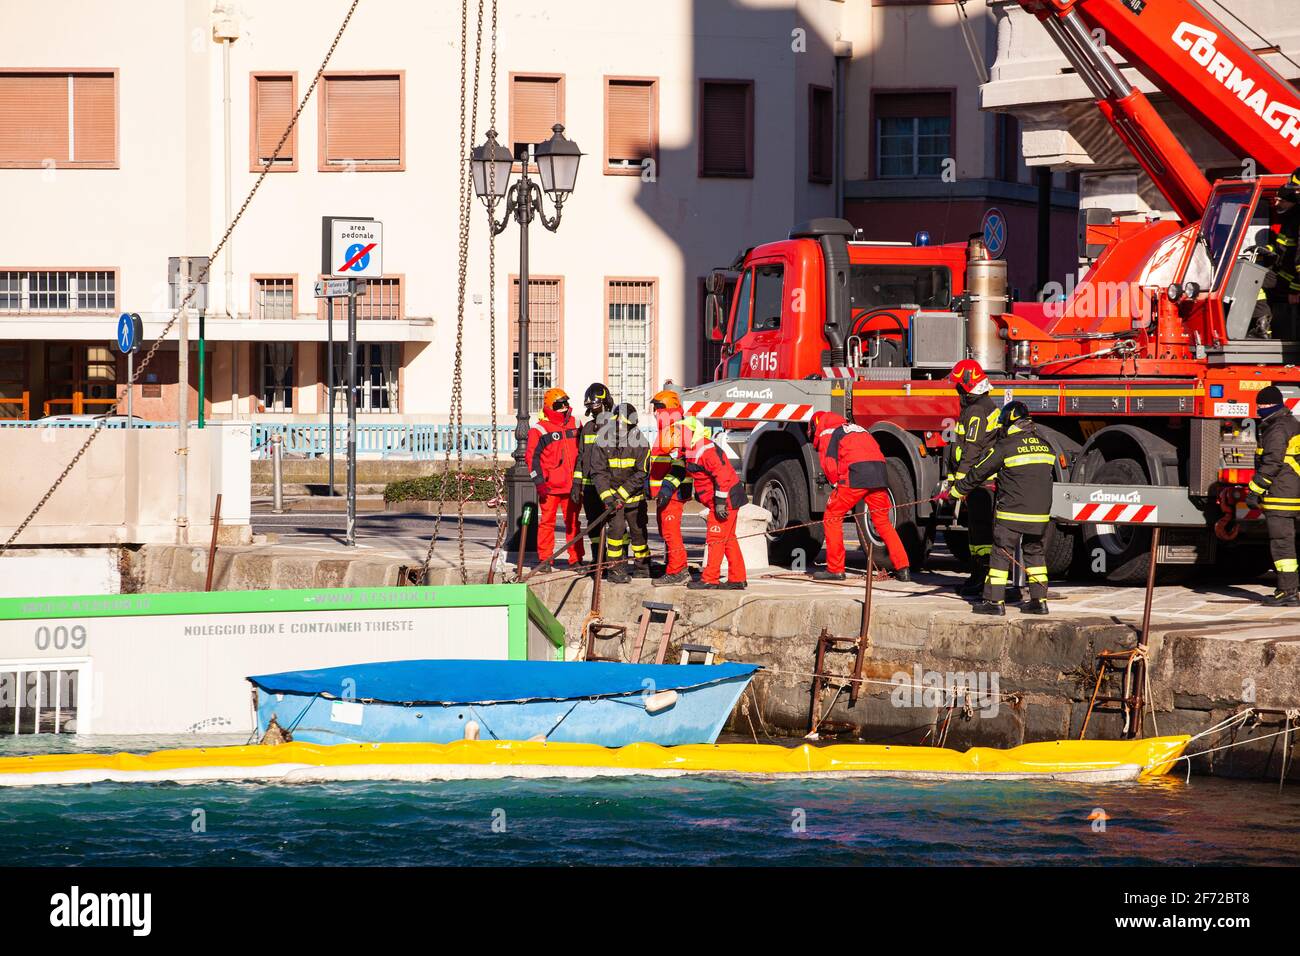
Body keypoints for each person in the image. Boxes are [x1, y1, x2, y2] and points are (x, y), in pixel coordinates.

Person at [940, 401, 1054, 616]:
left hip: (1011, 511)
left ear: (1010, 421)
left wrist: (955, 492)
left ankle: (994, 602)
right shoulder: (1045, 445)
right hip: (1040, 514)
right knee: (1035, 553)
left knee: (1001, 553)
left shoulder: (1006, 446)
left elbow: (980, 472)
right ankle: (1039, 601)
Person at [808, 410, 911, 582]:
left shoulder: (828, 432)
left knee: (832, 516)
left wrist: (835, 485)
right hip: (879, 474)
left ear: (815, 425)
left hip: (856, 474)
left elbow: (830, 463)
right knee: (882, 522)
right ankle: (903, 568)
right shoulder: (857, 428)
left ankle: (835, 569)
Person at [944, 358, 1001, 597]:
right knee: (977, 531)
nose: (956, 389)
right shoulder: (981, 405)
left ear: (968, 384)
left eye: (958, 384)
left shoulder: (976, 410)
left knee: (980, 532)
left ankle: (981, 579)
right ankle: (977, 576)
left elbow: (971, 449)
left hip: (979, 481)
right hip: (979, 480)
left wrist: (959, 483)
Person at [1245, 385, 1300, 606]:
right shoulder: (1290, 423)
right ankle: (1290, 590)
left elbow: (1272, 463)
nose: (1259, 409)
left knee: (1282, 543)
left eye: (1262, 405)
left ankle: (1287, 592)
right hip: (1292, 489)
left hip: (1281, 494)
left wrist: (1254, 490)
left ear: (1272, 405)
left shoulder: (1276, 428)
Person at [678, 416, 747, 590]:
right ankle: (737, 578)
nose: (678, 435)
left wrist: (720, 503)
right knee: (729, 539)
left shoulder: (705, 449)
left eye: (681, 432)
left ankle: (710, 578)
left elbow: (722, 477)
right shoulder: (691, 449)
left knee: (715, 538)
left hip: (726, 499)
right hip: (725, 498)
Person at [590, 402, 651, 583]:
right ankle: (615, 569)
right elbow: (598, 472)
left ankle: (643, 567)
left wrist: (622, 494)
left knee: (638, 533)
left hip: (633, 497)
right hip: (611, 497)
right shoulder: (602, 441)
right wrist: (608, 497)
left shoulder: (641, 443)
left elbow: (642, 472)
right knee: (615, 533)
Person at [526, 387, 583, 568]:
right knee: (547, 523)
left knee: (573, 523)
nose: (565, 407)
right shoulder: (539, 429)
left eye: (566, 402)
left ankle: (576, 559)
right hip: (550, 487)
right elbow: (531, 459)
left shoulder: (576, 422)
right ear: (551, 406)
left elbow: (584, 451)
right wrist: (539, 483)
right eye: (560, 404)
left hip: (572, 485)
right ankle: (545, 559)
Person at [1249, 168, 1300, 340]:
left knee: (1250, 280)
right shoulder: (1290, 220)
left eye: (1280, 201)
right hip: (1285, 276)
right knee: (1250, 275)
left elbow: (1296, 258)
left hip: (1291, 280)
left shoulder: (1295, 220)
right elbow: (1284, 250)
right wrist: (1266, 250)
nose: (1276, 204)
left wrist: (1295, 288)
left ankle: (1262, 327)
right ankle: (1262, 325)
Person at [648, 389, 692, 586]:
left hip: (673, 493)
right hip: (666, 492)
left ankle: (678, 571)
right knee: (666, 531)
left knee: (670, 531)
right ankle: (674, 566)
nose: (656, 412)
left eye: (658, 408)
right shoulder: (668, 429)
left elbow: (679, 465)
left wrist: (665, 489)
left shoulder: (675, 429)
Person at [573, 382, 613, 570]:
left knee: (616, 526)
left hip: (609, 486)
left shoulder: (616, 426)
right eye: (589, 407)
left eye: (595, 405)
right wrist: (576, 484)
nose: (593, 410)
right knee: (593, 525)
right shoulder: (587, 428)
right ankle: (598, 560)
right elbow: (581, 457)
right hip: (589, 487)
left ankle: (616, 563)